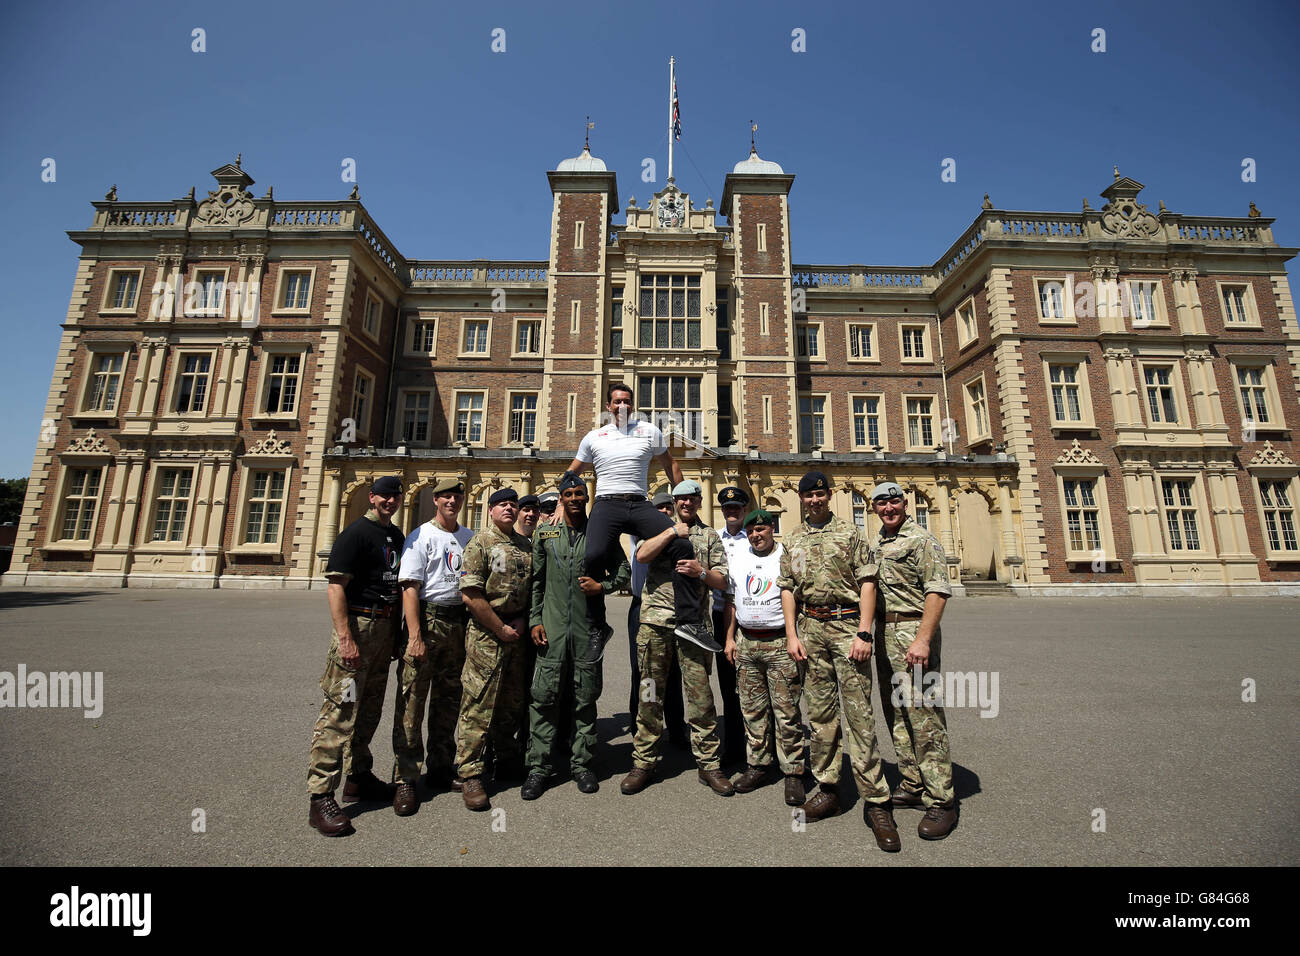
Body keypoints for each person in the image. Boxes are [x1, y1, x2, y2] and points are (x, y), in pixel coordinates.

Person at [778, 470, 901, 853]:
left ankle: (876, 801)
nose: (814, 501)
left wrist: (865, 631)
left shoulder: (850, 534)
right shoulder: (793, 538)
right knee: (820, 716)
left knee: (860, 716)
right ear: (801, 498)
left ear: (829, 496)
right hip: (810, 628)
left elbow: (868, 581)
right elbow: (787, 587)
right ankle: (829, 788)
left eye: (820, 495)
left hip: (847, 627)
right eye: (807, 496)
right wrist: (792, 634)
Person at [561, 382, 708, 663]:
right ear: (608, 406)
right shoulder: (594, 437)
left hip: (639, 503)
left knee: (680, 544)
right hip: (606, 503)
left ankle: (690, 620)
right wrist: (559, 503)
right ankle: (597, 626)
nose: (622, 406)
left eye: (627, 401)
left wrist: (681, 501)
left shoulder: (649, 431)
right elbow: (572, 472)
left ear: (633, 404)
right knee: (592, 556)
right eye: (617, 401)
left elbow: (671, 465)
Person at [621, 480, 734, 797]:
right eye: (679, 499)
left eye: (691, 499)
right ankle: (644, 762)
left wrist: (701, 571)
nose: (685, 503)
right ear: (673, 502)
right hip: (655, 623)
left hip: (693, 626)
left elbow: (722, 580)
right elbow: (641, 555)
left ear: (699, 502)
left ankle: (709, 764)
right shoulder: (658, 527)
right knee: (649, 696)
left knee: (701, 699)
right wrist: (671, 532)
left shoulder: (709, 536)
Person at [306, 475, 404, 837]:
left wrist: (394, 635)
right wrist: (345, 638)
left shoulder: (394, 536)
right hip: (358, 628)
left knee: (370, 707)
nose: (391, 501)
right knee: (340, 711)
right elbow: (336, 588)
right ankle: (320, 797)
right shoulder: (355, 535)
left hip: (384, 629)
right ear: (372, 497)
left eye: (396, 496)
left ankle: (359, 776)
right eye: (385, 496)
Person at [522, 474, 630, 800]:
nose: (573, 498)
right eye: (567, 493)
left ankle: (582, 764)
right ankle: (539, 768)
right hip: (552, 629)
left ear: (586, 497)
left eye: (579, 493)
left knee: (585, 699)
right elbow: (536, 583)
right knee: (544, 699)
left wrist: (603, 587)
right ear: (561, 498)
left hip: (587, 629)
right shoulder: (546, 533)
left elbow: (622, 571)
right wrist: (534, 620)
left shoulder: (600, 534)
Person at [868, 481, 958, 840]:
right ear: (873, 507)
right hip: (884, 634)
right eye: (881, 503)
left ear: (905, 503)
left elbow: (937, 590)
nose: (888, 508)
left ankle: (942, 799)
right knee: (898, 713)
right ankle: (912, 781)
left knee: (924, 717)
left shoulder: (922, 539)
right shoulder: (877, 542)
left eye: (893, 501)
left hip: (912, 631)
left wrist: (923, 639)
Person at [389, 477, 473, 816]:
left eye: (456, 497)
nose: (451, 502)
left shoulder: (467, 537)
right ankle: (406, 777)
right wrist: (414, 636)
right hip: (428, 619)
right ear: (436, 500)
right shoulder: (420, 536)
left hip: (458, 621)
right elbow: (410, 588)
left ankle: (440, 768)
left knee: (449, 699)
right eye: (445, 497)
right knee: (412, 701)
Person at [455, 488, 533, 811]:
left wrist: (522, 623)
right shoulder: (480, 543)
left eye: (513, 504)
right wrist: (499, 627)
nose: (510, 509)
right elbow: (470, 595)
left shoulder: (524, 546)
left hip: (516, 633)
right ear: (490, 509)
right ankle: (470, 771)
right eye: (503, 504)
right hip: (487, 634)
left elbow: (533, 591)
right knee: (478, 700)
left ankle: (505, 757)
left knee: (510, 699)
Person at [723, 508, 807, 806]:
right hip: (747, 642)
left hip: (779, 642)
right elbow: (732, 599)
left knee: (786, 710)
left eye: (762, 529)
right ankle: (758, 764)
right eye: (751, 531)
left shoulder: (788, 555)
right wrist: (730, 637)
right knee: (752, 709)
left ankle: (793, 771)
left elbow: (800, 598)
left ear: (772, 528)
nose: (757, 535)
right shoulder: (739, 557)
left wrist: (795, 636)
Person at [627, 492, 687, 745]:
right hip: (642, 608)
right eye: (658, 508)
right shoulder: (639, 534)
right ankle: (638, 726)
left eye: (667, 508)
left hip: (671, 608)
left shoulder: (678, 538)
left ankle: (676, 727)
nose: (663, 512)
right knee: (641, 670)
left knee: (673, 671)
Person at [712, 486, 750, 765]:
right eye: (727, 507)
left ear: (744, 509)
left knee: (754, 683)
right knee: (728, 685)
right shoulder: (714, 539)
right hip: (719, 614)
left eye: (736, 506)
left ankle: (762, 744)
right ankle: (735, 747)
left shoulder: (756, 537)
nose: (732, 511)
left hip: (750, 616)